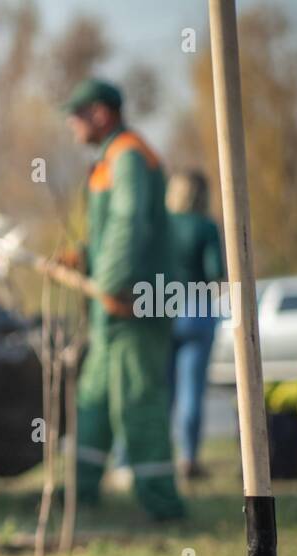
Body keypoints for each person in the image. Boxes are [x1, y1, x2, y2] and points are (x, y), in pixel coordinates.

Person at [60, 78, 185, 521]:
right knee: (93, 399)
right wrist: (84, 257)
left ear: (101, 113)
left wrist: (111, 284)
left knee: (137, 400)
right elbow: (111, 230)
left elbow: (130, 223)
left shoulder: (129, 155)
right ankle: (78, 494)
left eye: (76, 114)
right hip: (113, 305)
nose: (71, 124)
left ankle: (163, 505)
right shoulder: (110, 159)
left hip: (135, 301)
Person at [166, 170, 225, 480]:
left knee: (163, 392)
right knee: (192, 391)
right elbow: (216, 270)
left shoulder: (161, 223)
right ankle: (188, 459)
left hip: (159, 309)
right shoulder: (206, 226)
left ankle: (157, 459)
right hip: (197, 309)